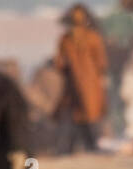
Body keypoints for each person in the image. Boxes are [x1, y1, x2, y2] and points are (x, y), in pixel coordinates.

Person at [55, 4, 108, 153]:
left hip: (89, 86)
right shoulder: (66, 40)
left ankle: (91, 148)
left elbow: (101, 62)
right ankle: (71, 150)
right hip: (75, 87)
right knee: (75, 118)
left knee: (89, 118)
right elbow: (59, 62)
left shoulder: (91, 38)